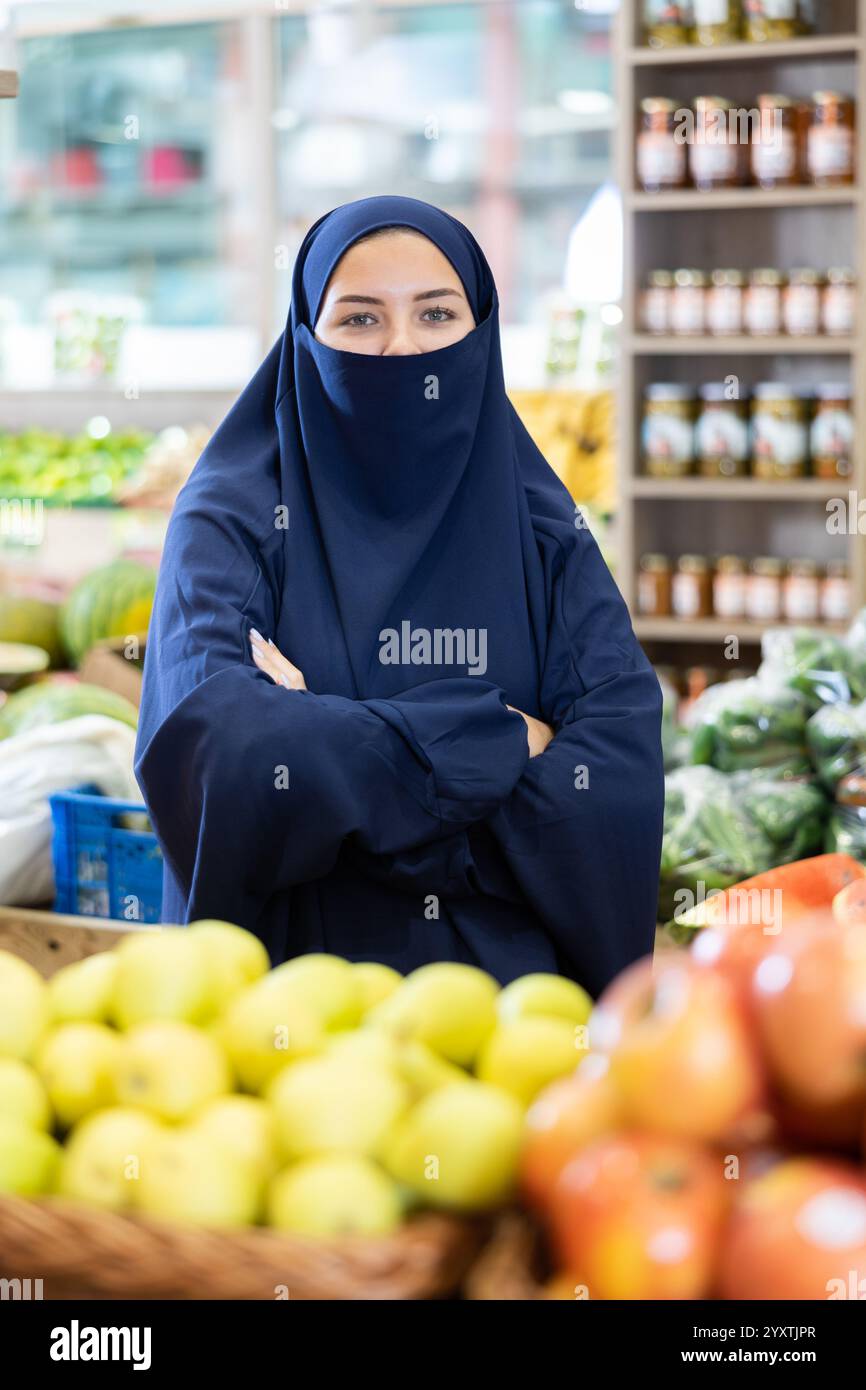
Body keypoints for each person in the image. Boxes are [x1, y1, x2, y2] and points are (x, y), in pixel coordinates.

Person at [134, 195, 664, 996]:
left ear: (479, 328)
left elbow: (616, 789)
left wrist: (330, 751)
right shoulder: (233, 518)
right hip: (282, 1009)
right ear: (307, 335)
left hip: (517, 1018)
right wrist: (499, 740)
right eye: (358, 320)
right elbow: (234, 760)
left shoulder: (543, 530)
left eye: (437, 313)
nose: (402, 347)